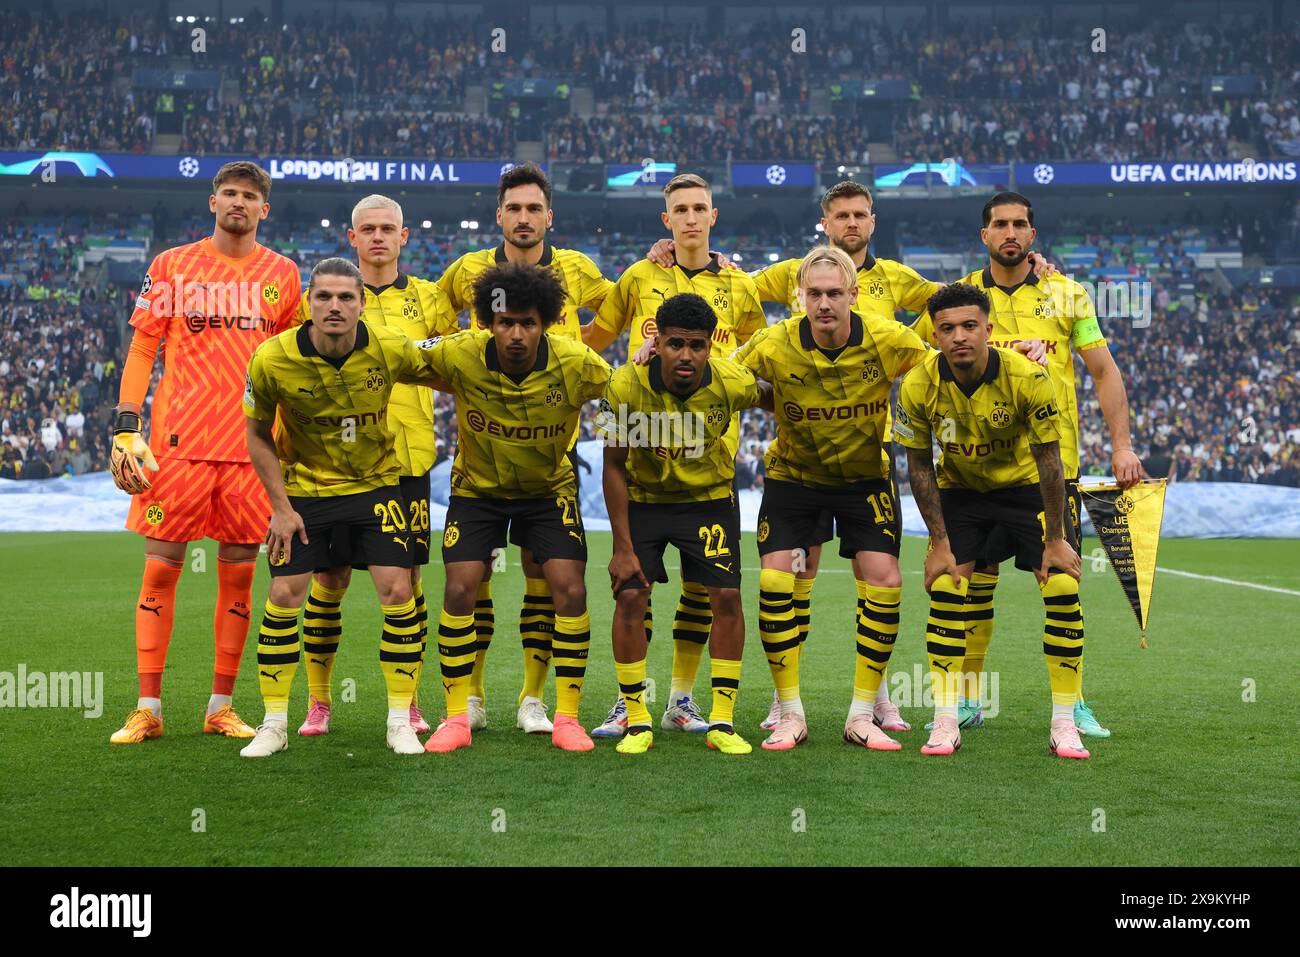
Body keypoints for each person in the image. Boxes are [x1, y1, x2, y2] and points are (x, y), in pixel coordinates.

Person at [911, 192, 1144, 737]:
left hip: (1046, 469)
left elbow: (1105, 372)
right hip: (971, 470)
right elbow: (925, 365)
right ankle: (967, 700)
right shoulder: (961, 302)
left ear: (1033, 236)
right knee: (973, 586)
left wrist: (1122, 445)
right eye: (999, 224)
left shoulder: (1067, 295)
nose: (1010, 232)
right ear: (985, 235)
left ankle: (1074, 702)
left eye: (1020, 224)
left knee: (1061, 581)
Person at [107, 161, 301, 746]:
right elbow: (144, 344)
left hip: (250, 450)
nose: (239, 203)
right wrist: (124, 426)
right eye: (230, 194)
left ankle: (220, 705)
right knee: (161, 569)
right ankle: (148, 707)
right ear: (212, 202)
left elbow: (293, 362)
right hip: (177, 447)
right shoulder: (172, 265)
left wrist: (288, 443)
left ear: (264, 210)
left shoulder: (284, 275)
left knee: (239, 578)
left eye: (250, 196)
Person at [238, 258, 446, 758]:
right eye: (324, 297)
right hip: (307, 490)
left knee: (399, 589)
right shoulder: (271, 358)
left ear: (360, 304)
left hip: (376, 486)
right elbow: (256, 433)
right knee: (286, 592)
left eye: (346, 298)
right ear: (309, 302)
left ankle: (399, 719)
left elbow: (451, 366)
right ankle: (274, 723)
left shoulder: (389, 347)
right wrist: (281, 508)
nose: (335, 306)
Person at [584, 172, 767, 739]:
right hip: (647, 450)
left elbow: (763, 360)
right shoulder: (638, 276)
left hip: (712, 460)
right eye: (680, 209)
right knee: (636, 589)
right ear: (666, 220)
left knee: (703, 592)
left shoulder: (741, 284)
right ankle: (629, 702)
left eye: (700, 208)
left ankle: (684, 700)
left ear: (714, 216)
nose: (690, 217)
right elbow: (593, 336)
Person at [436, 162, 613, 734]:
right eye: (513, 208)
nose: (523, 217)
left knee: (547, 581)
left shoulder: (578, 270)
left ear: (548, 216)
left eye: (534, 208)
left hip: (548, 457)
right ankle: (473, 699)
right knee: (472, 582)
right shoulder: (467, 271)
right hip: (484, 453)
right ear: (499, 216)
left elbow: (621, 314)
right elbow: (429, 325)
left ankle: (536, 700)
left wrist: (587, 353)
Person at [733, 245, 930, 752]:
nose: (824, 303)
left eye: (834, 293)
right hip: (794, 478)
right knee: (778, 577)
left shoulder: (889, 339)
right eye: (814, 293)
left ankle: (862, 713)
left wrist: (1014, 352)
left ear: (854, 295)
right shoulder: (773, 342)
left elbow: (941, 368)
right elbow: (723, 378)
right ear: (799, 296)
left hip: (865, 478)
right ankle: (790, 712)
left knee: (885, 579)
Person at [895, 282, 1089, 759]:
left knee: (1062, 585)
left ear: (989, 328)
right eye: (946, 328)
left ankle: (1065, 722)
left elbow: (1050, 459)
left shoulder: (1028, 377)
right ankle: (945, 719)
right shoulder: (918, 385)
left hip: (1025, 490)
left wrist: (1056, 536)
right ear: (935, 334)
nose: (959, 336)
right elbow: (917, 465)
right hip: (961, 492)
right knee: (946, 586)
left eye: (968, 326)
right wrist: (939, 542)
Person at [295, 194, 459, 739]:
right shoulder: (324, 296)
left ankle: (407, 702)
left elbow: (448, 362)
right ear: (352, 237)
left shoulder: (432, 298)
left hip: (406, 462)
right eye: (368, 229)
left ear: (405, 237)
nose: (378, 237)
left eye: (388, 228)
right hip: (334, 466)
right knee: (329, 577)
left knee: (407, 583)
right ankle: (319, 702)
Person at [597, 292, 772, 755]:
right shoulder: (624, 386)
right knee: (631, 594)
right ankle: (635, 719)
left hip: (708, 501)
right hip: (645, 500)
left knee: (727, 597)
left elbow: (778, 396)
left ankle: (722, 721)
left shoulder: (731, 381)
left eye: (697, 346)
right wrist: (621, 547)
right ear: (656, 339)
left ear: (709, 347)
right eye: (676, 344)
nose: (686, 356)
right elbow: (612, 464)